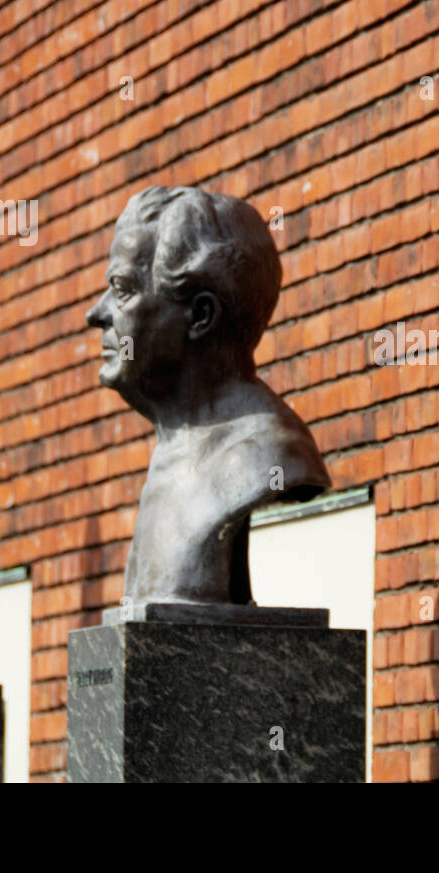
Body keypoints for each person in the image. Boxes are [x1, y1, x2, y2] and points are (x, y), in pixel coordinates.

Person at [86, 186, 330, 608]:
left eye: (123, 289)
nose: (98, 313)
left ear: (200, 315)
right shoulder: (176, 446)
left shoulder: (261, 457)